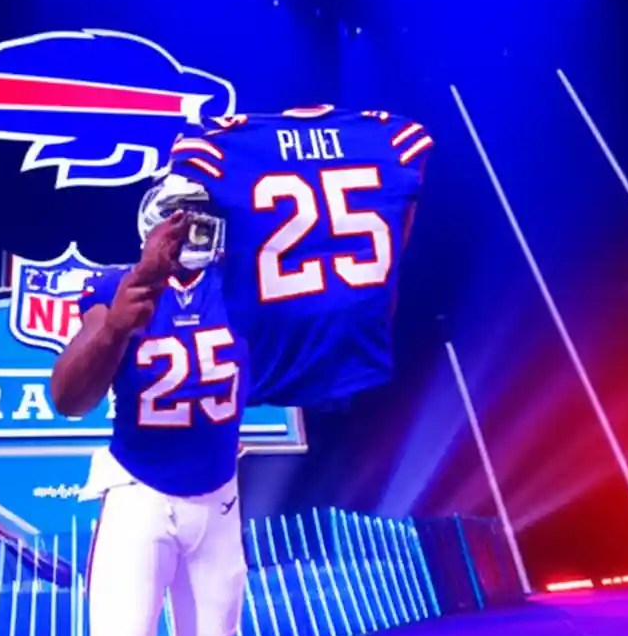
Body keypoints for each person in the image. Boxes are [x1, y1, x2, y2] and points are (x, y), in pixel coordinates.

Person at [51, 175, 249, 636]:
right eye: (178, 217)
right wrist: (117, 326)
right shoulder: (117, 286)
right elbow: (69, 398)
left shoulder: (244, 287)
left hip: (219, 497)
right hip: (140, 493)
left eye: (201, 217)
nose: (191, 230)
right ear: (153, 223)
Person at [168, 106, 432, 409]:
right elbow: (403, 229)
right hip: (357, 345)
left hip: (265, 350)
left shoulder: (216, 144)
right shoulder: (391, 137)